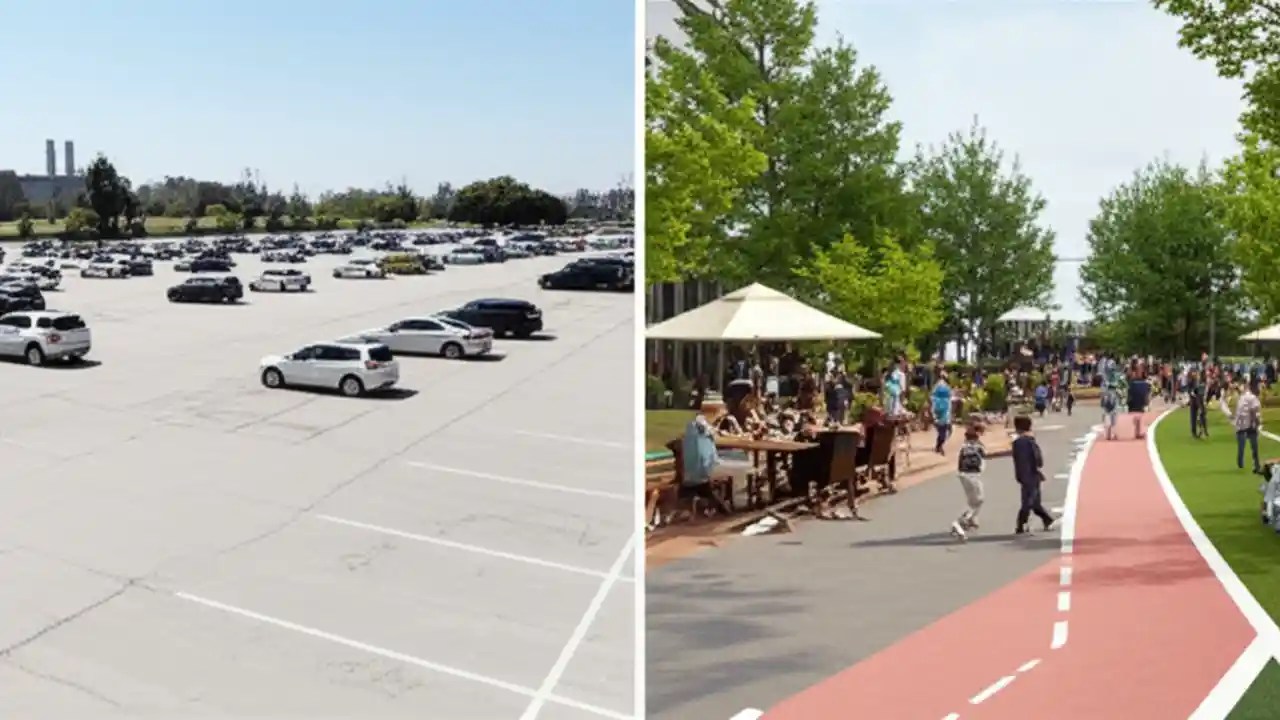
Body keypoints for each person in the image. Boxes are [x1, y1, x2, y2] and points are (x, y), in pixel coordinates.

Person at [1012, 414, 1056, 534]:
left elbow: (1019, 461)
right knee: (1034, 502)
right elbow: (1038, 459)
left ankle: (1022, 524)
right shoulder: (1031, 441)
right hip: (1033, 475)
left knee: (1029, 502)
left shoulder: (1018, 443)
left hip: (1026, 476)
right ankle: (1046, 520)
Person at [950, 424, 986, 541]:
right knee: (978, 500)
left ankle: (971, 519)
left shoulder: (964, 447)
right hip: (973, 475)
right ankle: (959, 522)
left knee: (974, 499)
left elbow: (960, 461)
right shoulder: (978, 447)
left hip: (963, 474)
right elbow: (980, 460)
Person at [1235, 381, 1262, 473]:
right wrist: (1257, 424)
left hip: (1240, 423)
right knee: (1254, 446)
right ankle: (1256, 465)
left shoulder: (1242, 397)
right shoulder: (1253, 398)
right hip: (1249, 424)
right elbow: (1254, 411)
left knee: (1241, 445)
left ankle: (1240, 461)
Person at [1127, 366, 1152, 440]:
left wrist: (1147, 401)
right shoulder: (1132, 382)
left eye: (1140, 371)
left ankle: (1138, 432)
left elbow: (1147, 393)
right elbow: (1129, 391)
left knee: (1139, 416)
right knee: (1137, 415)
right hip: (1134, 399)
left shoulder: (1145, 382)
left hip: (1140, 399)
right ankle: (1137, 431)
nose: (1139, 372)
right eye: (1138, 371)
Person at [932, 373, 953, 454]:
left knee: (942, 429)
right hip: (944, 408)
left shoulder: (936, 386)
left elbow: (933, 396)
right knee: (944, 430)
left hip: (939, 408)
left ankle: (939, 446)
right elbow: (949, 396)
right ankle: (939, 446)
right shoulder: (945, 387)